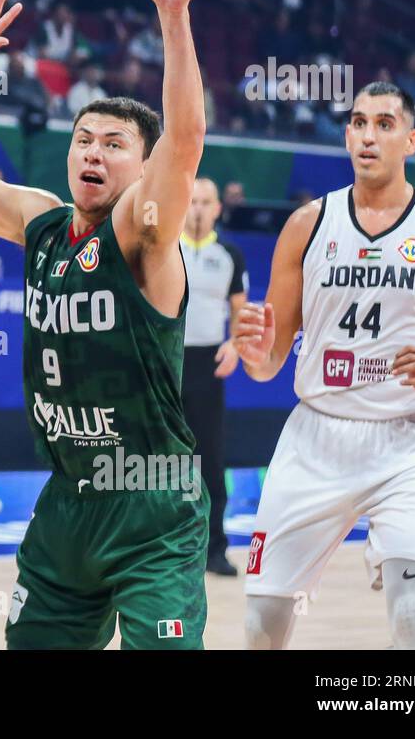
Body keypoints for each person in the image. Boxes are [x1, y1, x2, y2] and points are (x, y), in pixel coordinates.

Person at [0, 0, 219, 649]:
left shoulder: (143, 233)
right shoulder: (42, 222)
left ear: (140, 170)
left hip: (152, 504)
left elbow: (186, 142)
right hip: (68, 503)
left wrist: (173, 17)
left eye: (114, 145)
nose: (93, 153)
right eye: (84, 139)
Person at [234, 81, 415, 649]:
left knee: (412, 617)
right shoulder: (306, 225)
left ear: (412, 139)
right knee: (259, 627)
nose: (367, 136)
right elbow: (271, 358)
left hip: (412, 441)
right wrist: (258, 356)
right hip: (316, 437)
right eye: (357, 123)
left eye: (383, 124)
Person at [179, 178, 248, 576]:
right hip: (167, 363)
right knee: (160, 459)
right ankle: (158, 550)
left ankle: (214, 549)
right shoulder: (165, 247)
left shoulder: (230, 255)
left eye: (206, 202)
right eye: (192, 201)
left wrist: (235, 344)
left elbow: (239, 308)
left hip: (208, 363)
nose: (199, 209)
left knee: (209, 458)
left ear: (218, 208)